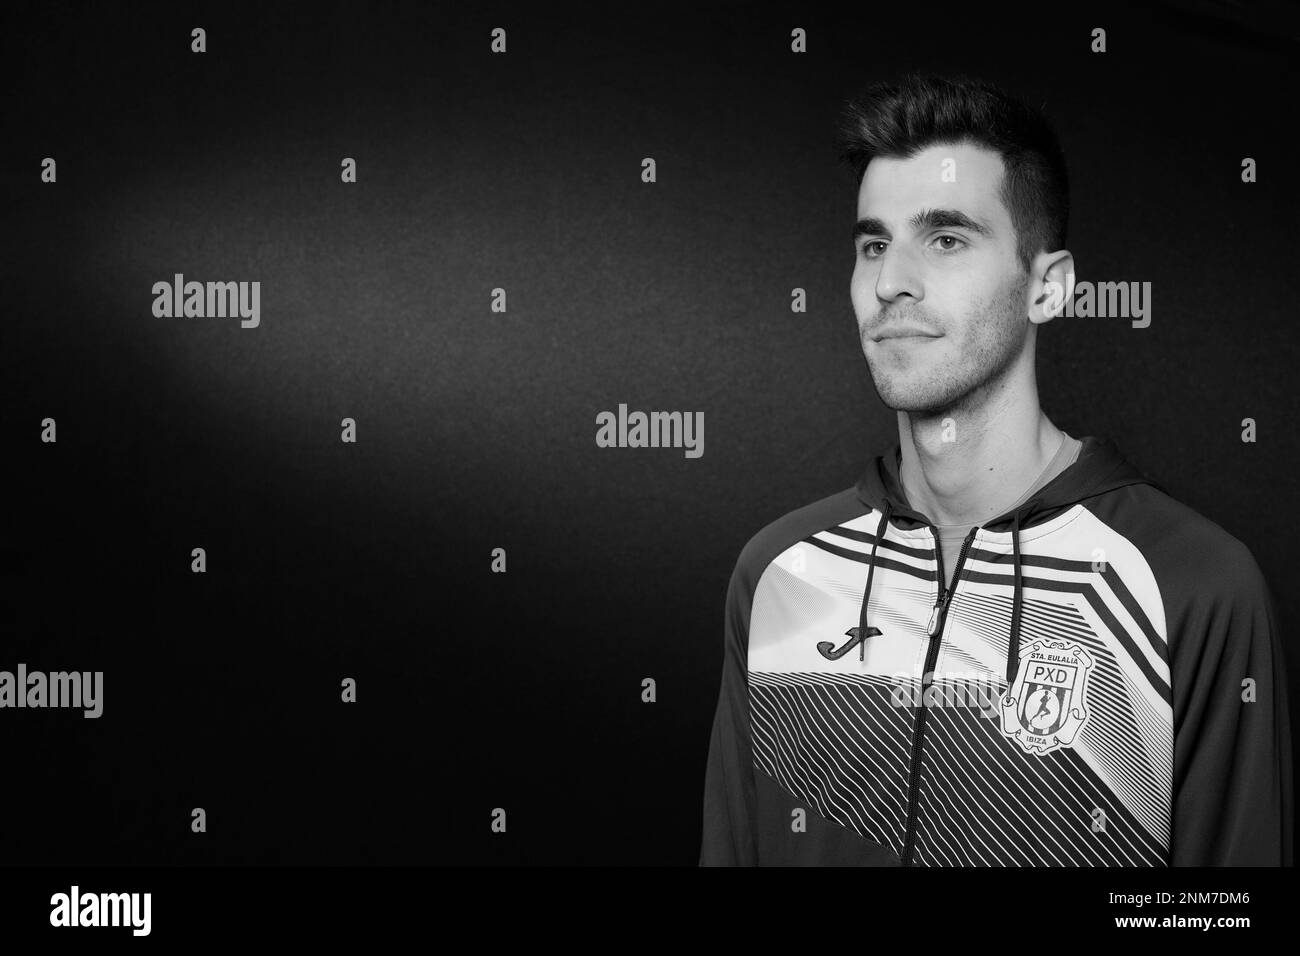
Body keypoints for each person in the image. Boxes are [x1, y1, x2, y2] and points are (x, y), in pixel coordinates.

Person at [699, 73, 1292, 866]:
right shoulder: (780, 575)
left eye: (945, 240)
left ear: (1048, 287)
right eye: (874, 243)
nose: (890, 283)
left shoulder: (1193, 582)